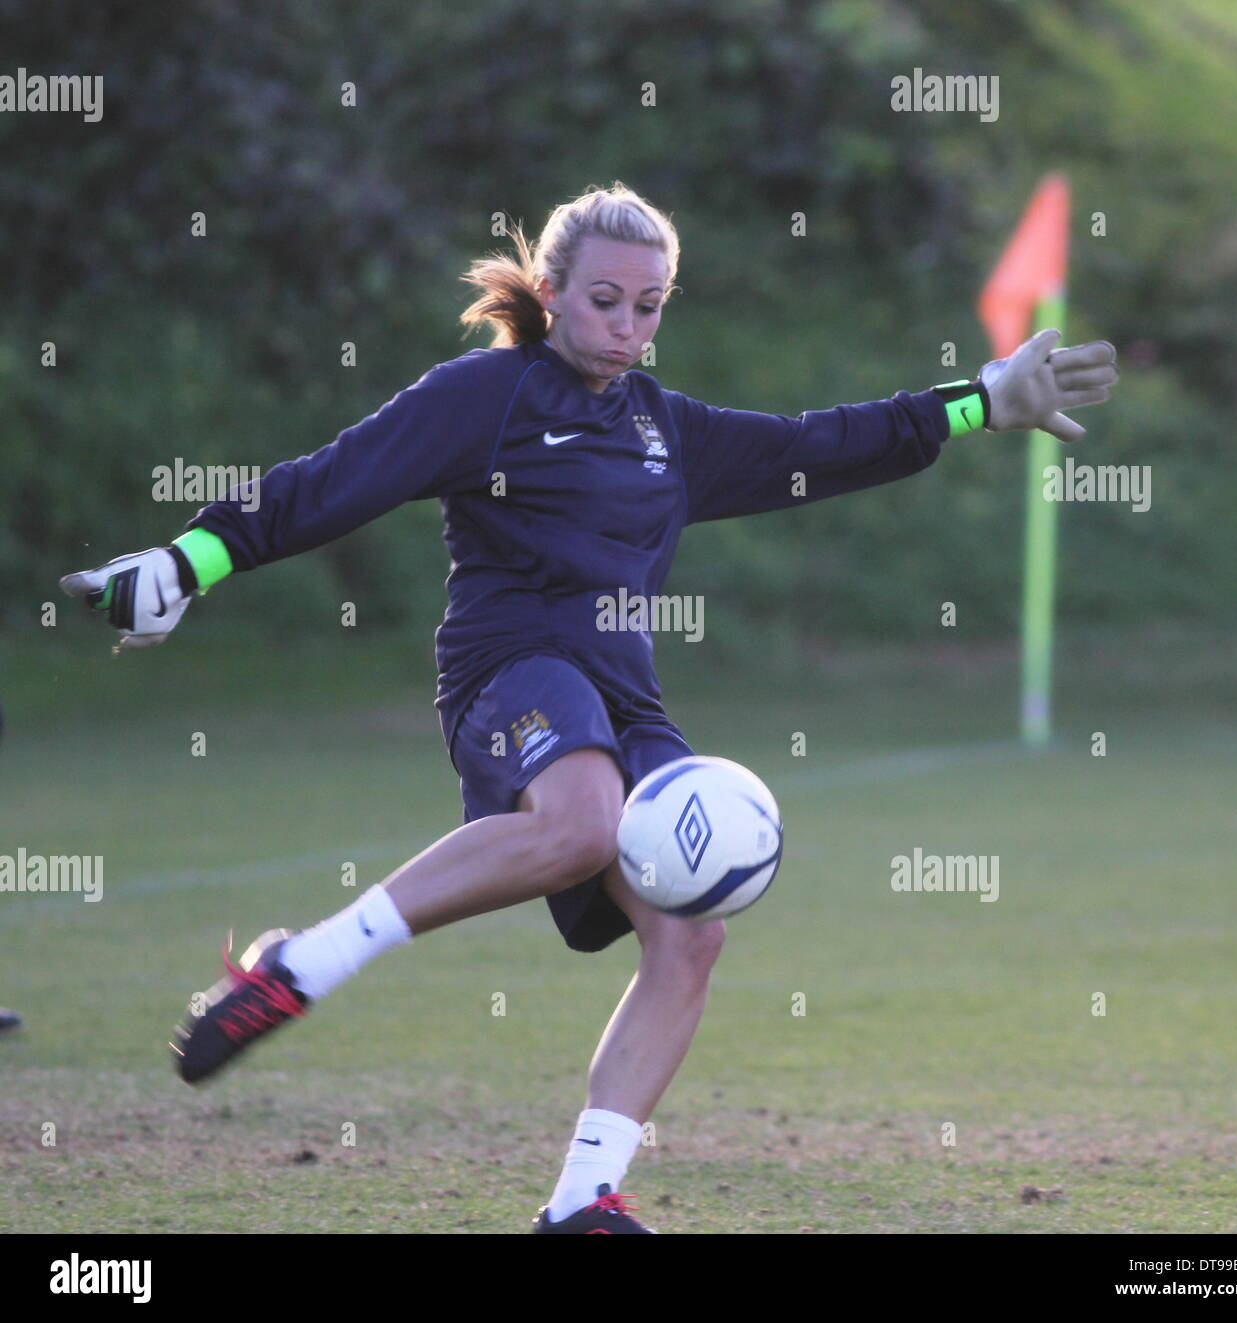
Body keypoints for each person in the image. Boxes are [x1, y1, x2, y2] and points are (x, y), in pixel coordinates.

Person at [60, 182, 1118, 1233]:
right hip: (510, 663)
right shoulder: (487, 395)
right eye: (606, 300)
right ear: (553, 291)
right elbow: (333, 480)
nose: (628, 326)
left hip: (621, 696)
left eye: (650, 305)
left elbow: (811, 446)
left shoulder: (665, 426)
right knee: (580, 821)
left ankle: (581, 1201)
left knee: (691, 936)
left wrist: (980, 400)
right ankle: (305, 966)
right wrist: (185, 560)